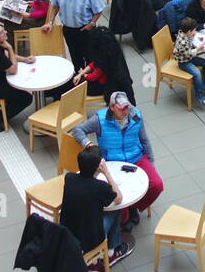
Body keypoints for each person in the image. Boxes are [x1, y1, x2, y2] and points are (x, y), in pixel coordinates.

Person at [70, 92, 163, 220]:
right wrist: (89, 144)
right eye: (121, 108)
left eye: (127, 107)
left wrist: (151, 163)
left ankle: (133, 206)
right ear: (112, 107)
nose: (125, 111)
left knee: (157, 185)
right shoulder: (100, 119)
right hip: (112, 162)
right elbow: (78, 130)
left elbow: (145, 140)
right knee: (118, 194)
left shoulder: (136, 115)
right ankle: (124, 218)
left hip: (137, 157)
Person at [60, 142, 132, 269]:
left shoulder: (69, 178)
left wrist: (95, 171)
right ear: (98, 166)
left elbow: (87, 183)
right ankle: (111, 252)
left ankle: (102, 253)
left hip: (69, 231)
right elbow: (119, 198)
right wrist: (107, 173)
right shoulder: (100, 187)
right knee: (116, 209)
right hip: (90, 237)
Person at [42, 0, 107, 71]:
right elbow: (55, 6)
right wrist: (50, 22)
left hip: (85, 31)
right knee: (75, 58)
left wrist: (92, 23)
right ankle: (79, 80)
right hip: (68, 30)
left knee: (90, 58)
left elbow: (99, 9)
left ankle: (91, 83)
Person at [173, 16, 205, 104]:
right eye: (194, 30)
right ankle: (199, 95)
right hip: (184, 62)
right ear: (189, 31)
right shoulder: (182, 42)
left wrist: (197, 38)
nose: (195, 32)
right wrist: (198, 48)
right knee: (197, 73)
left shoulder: (185, 33)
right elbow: (189, 53)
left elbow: (191, 39)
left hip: (189, 57)